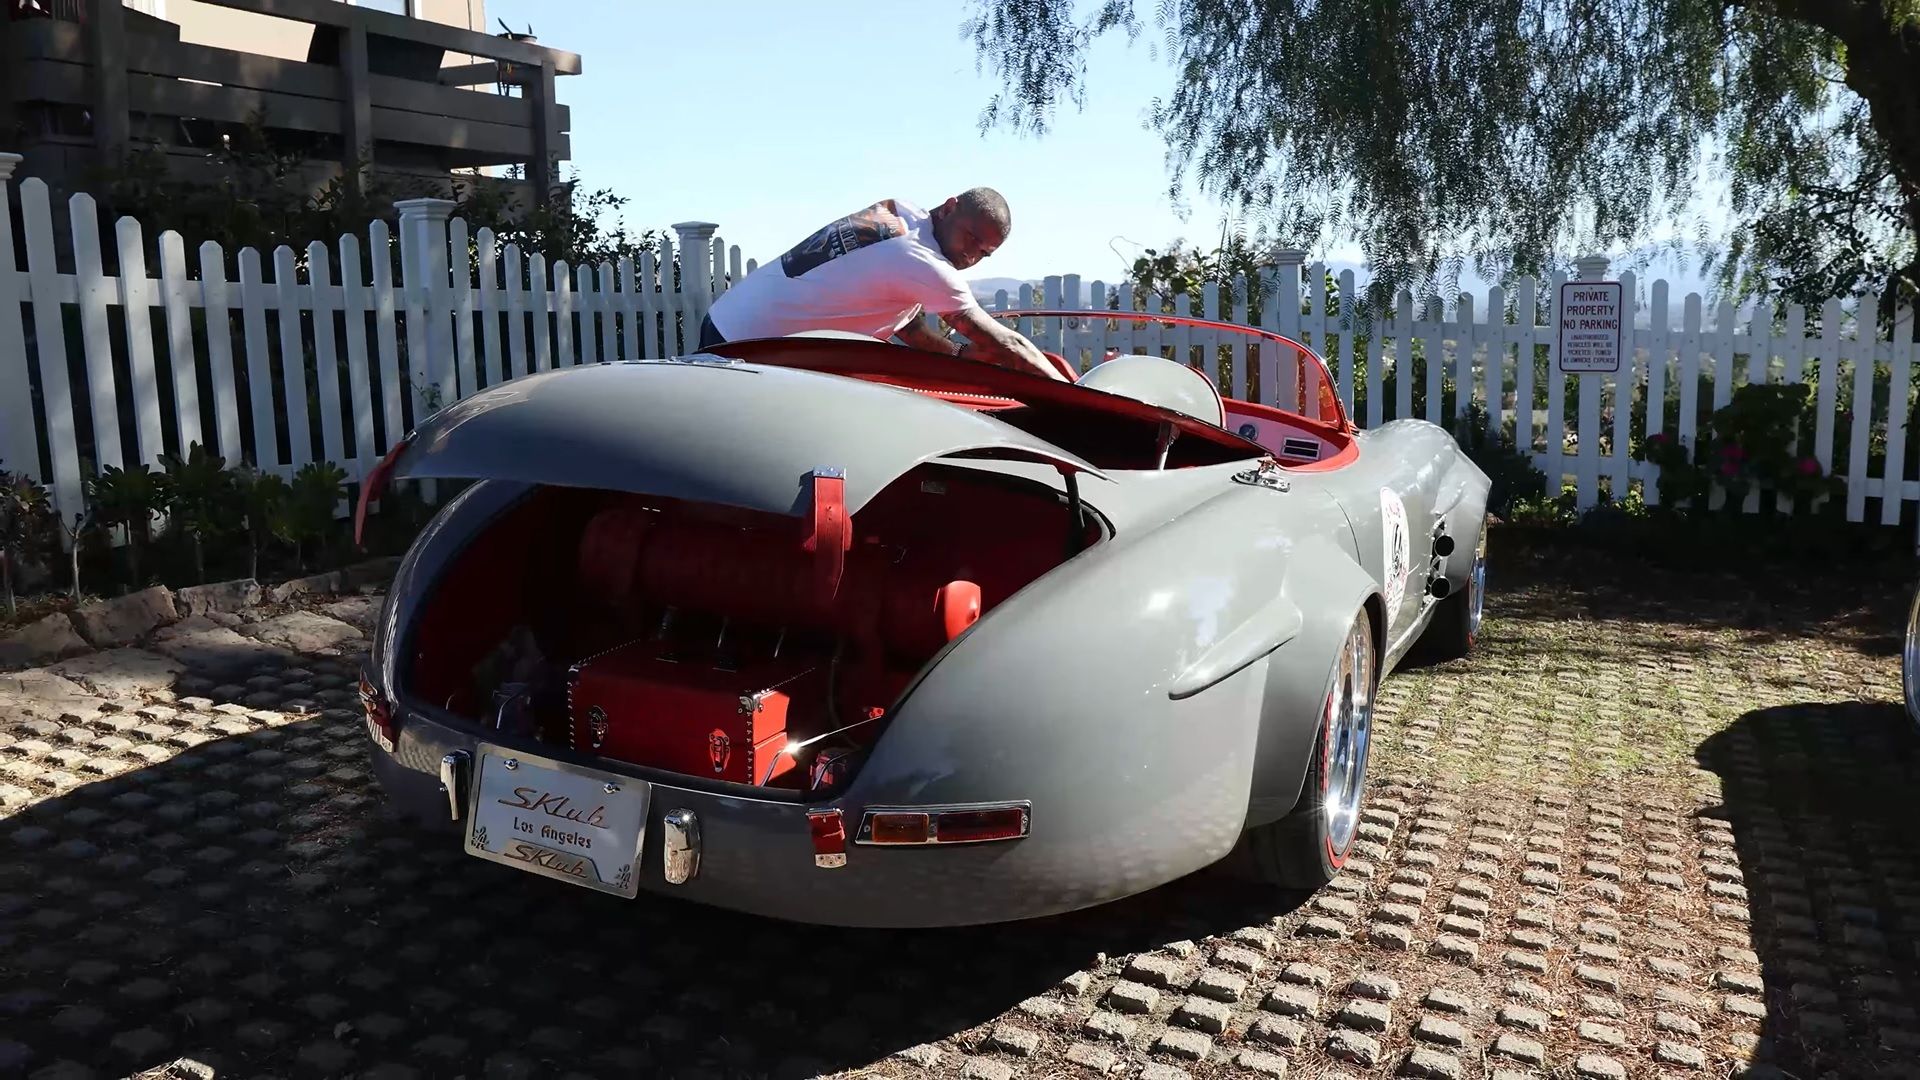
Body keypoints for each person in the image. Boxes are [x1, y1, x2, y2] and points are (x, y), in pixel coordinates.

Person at [698, 188, 1065, 380]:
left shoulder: (902, 214)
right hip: (743, 351)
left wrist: (953, 355)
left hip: (727, 320)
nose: (972, 256)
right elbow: (1007, 342)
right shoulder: (922, 259)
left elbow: (908, 322)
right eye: (971, 238)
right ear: (950, 206)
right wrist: (1072, 396)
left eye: (985, 253)